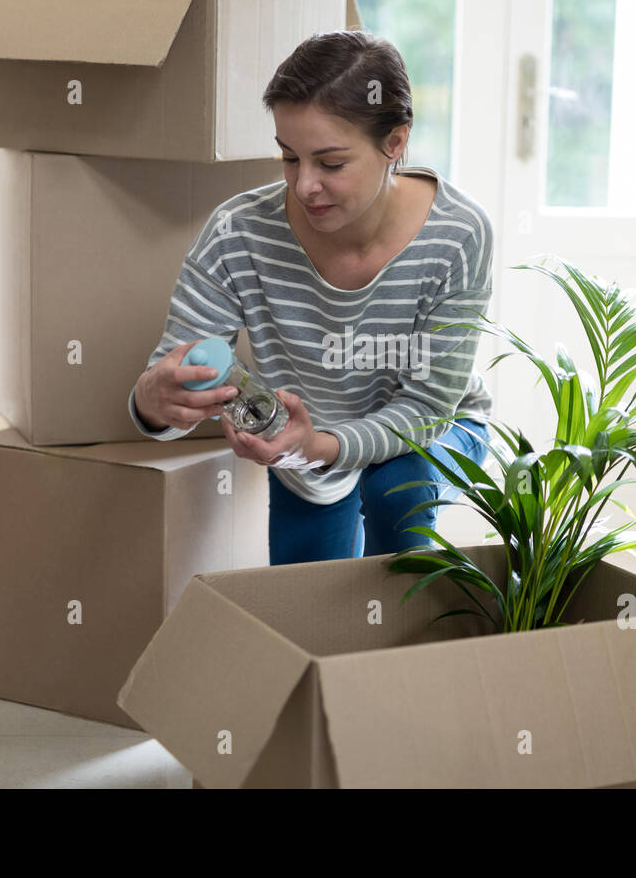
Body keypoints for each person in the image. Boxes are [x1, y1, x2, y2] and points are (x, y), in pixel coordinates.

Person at [129, 29, 494, 566]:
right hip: (300, 444)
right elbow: (176, 370)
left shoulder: (458, 235)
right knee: (307, 608)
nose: (304, 187)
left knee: (398, 486)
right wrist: (154, 402)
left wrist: (323, 445)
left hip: (430, 432)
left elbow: (427, 407)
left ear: (395, 142)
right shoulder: (239, 233)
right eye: (289, 158)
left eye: (331, 163)